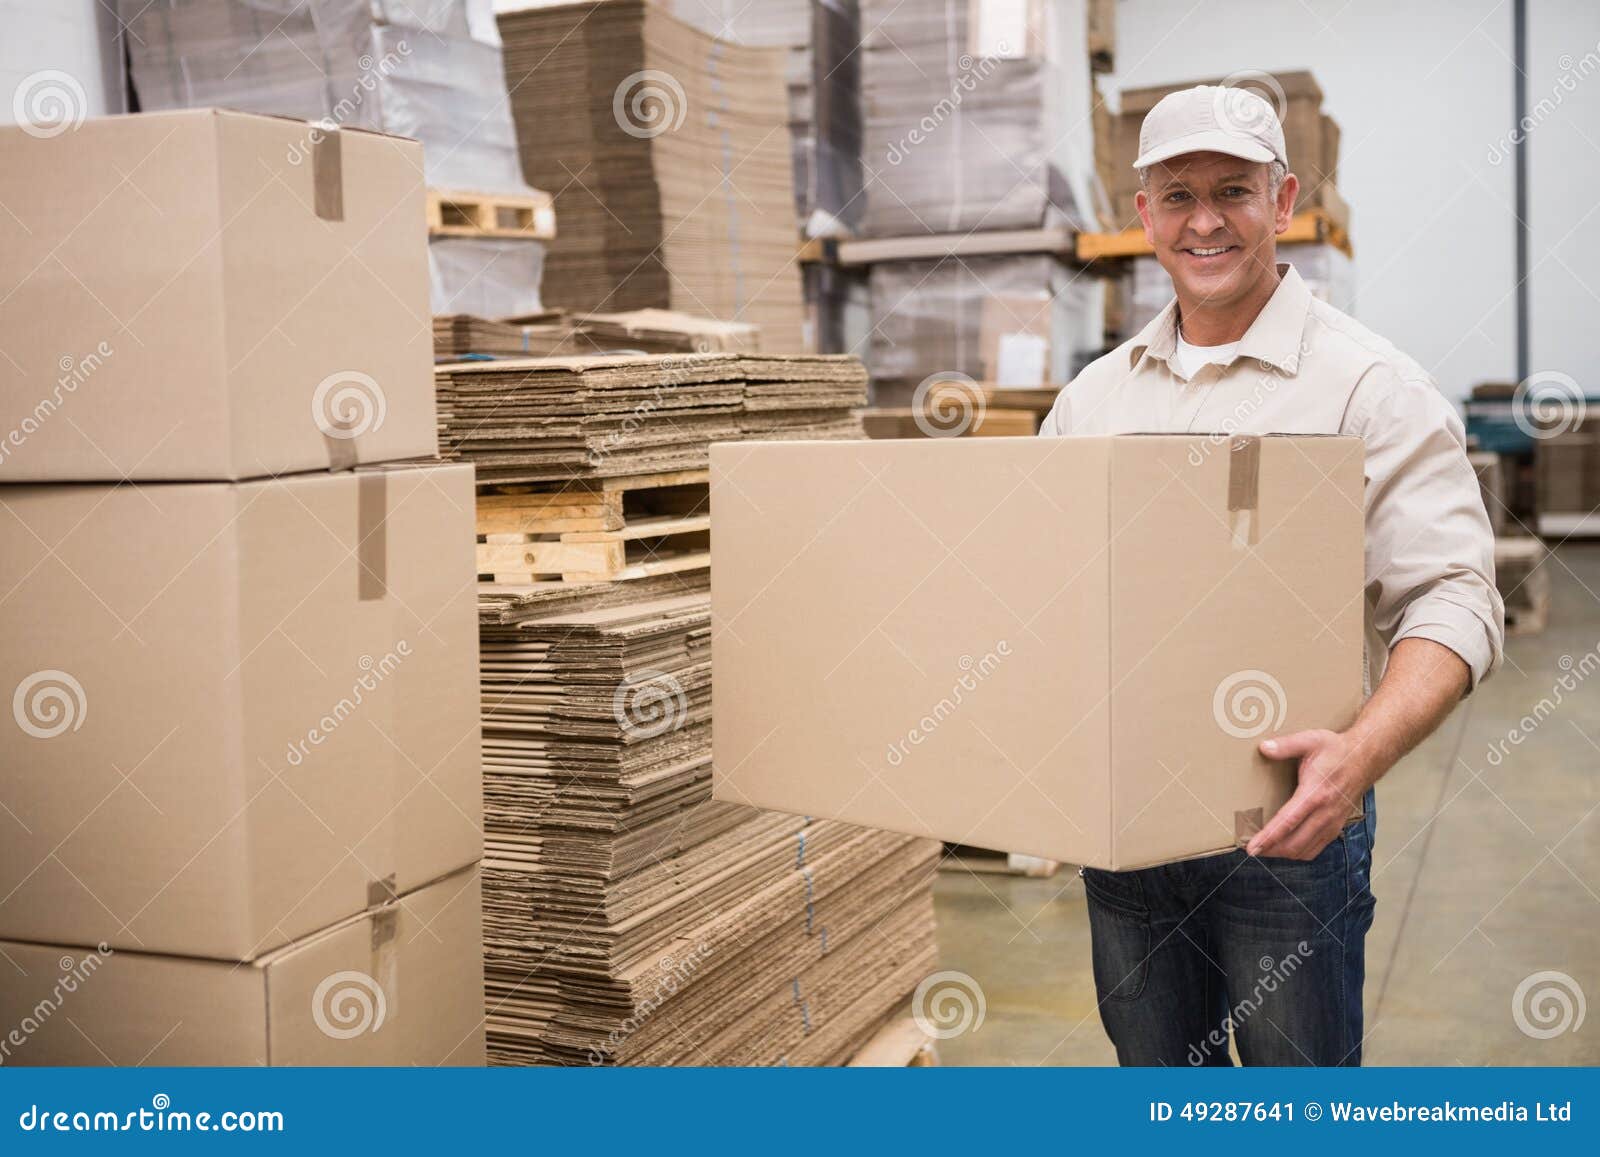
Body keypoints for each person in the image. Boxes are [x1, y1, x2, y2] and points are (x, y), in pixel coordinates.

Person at [1038, 84, 1504, 1066]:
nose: (1203, 220)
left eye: (1232, 191)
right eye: (1177, 195)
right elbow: (1041, 595)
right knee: (1159, 1087)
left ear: (1282, 199)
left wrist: (1358, 758)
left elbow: (1454, 598)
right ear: (1142, 216)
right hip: (1123, 838)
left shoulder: (1367, 388)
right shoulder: (1091, 400)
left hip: (1288, 834)